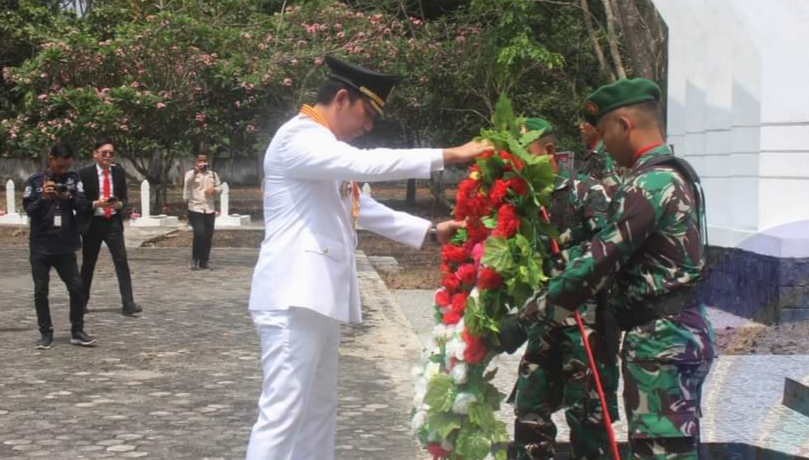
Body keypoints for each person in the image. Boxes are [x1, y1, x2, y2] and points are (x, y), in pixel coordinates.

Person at [244, 55, 492, 460]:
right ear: (342, 98)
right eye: (368, 112)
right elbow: (367, 164)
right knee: (283, 412)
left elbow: (363, 207)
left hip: (316, 297)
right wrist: (451, 154)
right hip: (292, 295)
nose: (369, 126)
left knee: (319, 410)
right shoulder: (300, 138)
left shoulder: (326, 148)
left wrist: (429, 231)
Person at [499, 79, 716, 459]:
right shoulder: (669, 175)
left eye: (603, 133)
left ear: (624, 125)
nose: (601, 144)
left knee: (661, 452)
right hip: (663, 337)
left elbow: (594, 265)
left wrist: (522, 321)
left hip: (662, 343)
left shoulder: (651, 183)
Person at [504, 118, 619, 460]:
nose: (516, 160)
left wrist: (557, 259)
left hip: (585, 324)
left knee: (588, 414)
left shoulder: (584, 192)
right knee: (530, 409)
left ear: (549, 150)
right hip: (543, 319)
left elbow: (607, 250)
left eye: (523, 151)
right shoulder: (521, 202)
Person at [23, 140, 97, 349]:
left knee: (76, 287)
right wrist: (44, 197)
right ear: (51, 159)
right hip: (41, 245)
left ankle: (77, 329)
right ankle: (45, 332)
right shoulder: (35, 181)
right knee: (41, 290)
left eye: (67, 166)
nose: (63, 171)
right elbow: (29, 210)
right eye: (60, 166)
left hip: (65, 243)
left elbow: (83, 205)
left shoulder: (73, 180)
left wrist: (68, 196)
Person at [78, 135, 142, 317]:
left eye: (111, 153)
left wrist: (120, 204)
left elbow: (123, 197)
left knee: (121, 260)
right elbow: (81, 201)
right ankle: (82, 302)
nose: (107, 156)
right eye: (104, 153)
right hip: (94, 222)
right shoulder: (85, 174)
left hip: (112, 221)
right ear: (95, 154)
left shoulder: (118, 172)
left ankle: (128, 302)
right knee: (89, 262)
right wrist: (96, 203)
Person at [183, 152, 222, 270]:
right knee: (199, 233)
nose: (202, 163)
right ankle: (194, 259)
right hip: (195, 208)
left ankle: (204, 261)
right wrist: (195, 172)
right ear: (196, 161)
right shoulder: (190, 174)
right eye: (200, 160)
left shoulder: (213, 174)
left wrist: (214, 190)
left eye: (204, 160)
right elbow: (187, 184)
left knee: (208, 236)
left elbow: (220, 188)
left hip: (209, 209)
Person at [578, 120, 623, 194]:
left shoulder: (604, 154)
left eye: (586, 122)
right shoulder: (591, 154)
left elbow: (613, 188)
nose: (581, 127)